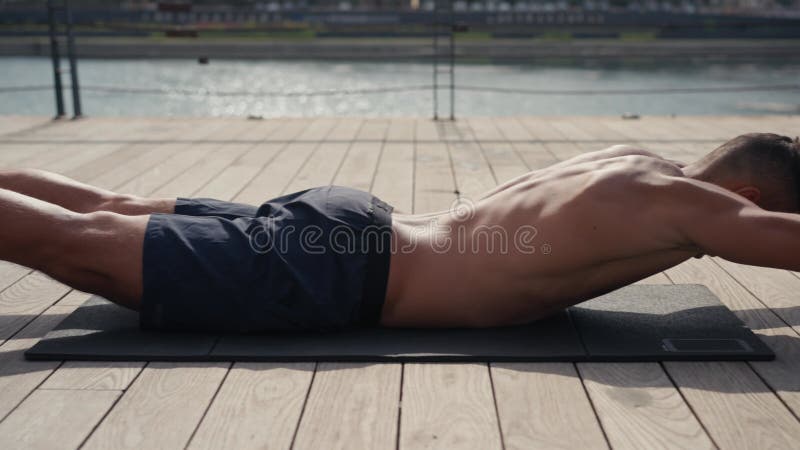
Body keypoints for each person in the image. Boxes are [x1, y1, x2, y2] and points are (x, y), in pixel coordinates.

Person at [0, 133, 797, 332]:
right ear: (753, 197)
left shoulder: (635, 164)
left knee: (108, 207)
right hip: (348, 272)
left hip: (354, 225)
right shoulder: (701, 210)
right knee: (74, 246)